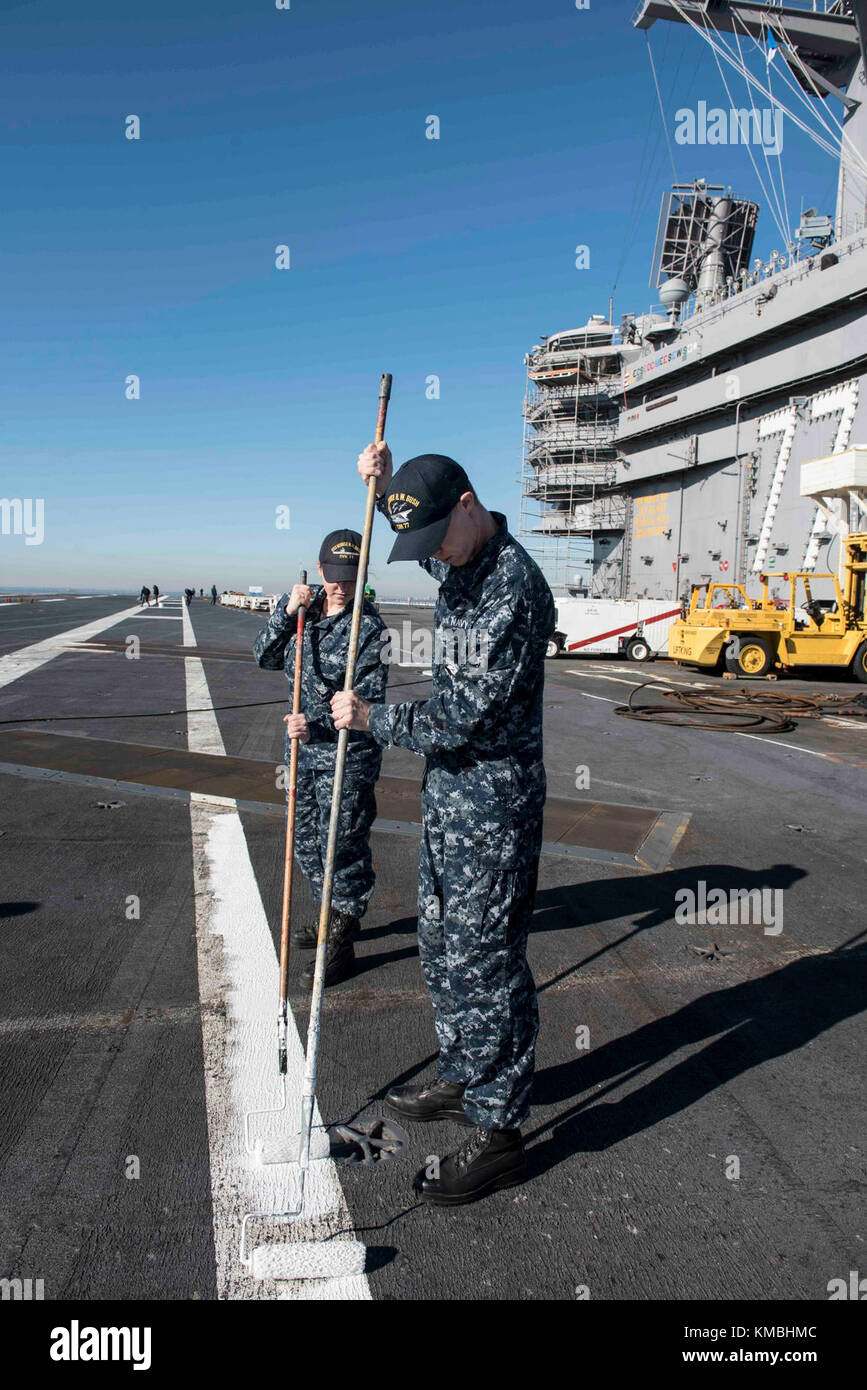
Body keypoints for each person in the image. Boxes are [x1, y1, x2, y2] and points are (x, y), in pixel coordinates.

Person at [332, 446, 555, 1205]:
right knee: (442, 943)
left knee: (487, 963)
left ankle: (498, 1130)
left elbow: (459, 717)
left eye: (437, 540)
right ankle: (464, 1074)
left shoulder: (513, 590)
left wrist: (370, 717)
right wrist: (379, 486)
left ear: (468, 503)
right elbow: (433, 554)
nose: (432, 559)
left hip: (493, 806)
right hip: (449, 802)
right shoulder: (459, 557)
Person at [254, 530, 388, 988]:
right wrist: (286, 611)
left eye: (350, 578)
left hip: (345, 758)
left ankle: (342, 939)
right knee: (308, 842)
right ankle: (333, 915)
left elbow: (367, 703)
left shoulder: (368, 630)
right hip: (301, 755)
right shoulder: (303, 618)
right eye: (333, 577)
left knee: (341, 847)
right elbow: (264, 658)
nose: (340, 587)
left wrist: (316, 726)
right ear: (321, 571)